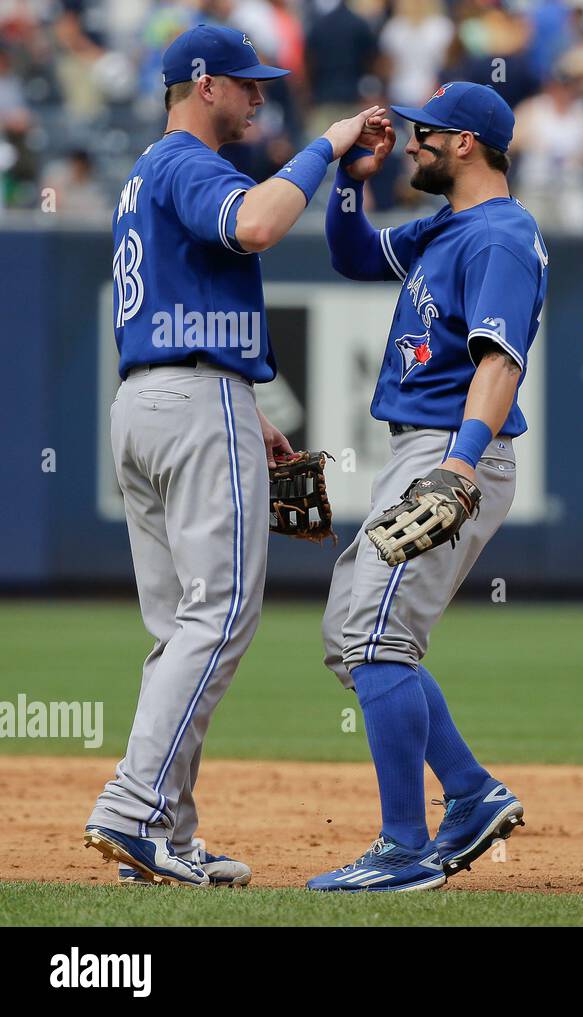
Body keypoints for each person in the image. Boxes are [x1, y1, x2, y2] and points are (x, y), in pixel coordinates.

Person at [83, 23, 381, 886]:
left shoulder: (144, 174)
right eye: (247, 83)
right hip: (189, 404)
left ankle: (165, 836)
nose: (261, 95)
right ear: (202, 83)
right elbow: (253, 225)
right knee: (219, 618)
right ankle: (134, 807)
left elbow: (185, 296)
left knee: (177, 627)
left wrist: (246, 407)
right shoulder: (186, 162)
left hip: (147, 400)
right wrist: (327, 145)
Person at [309, 82, 547, 892]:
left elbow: (500, 363)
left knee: (379, 639)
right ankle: (473, 793)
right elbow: (349, 257)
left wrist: (460, 466)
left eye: (424, 133)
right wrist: (350, 176)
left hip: (451, 448)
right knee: (354, 638)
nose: (411, 142)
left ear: (467, 144)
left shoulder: (501, 237)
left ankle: (405, 848)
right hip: (418, 447)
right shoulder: (448, 227)